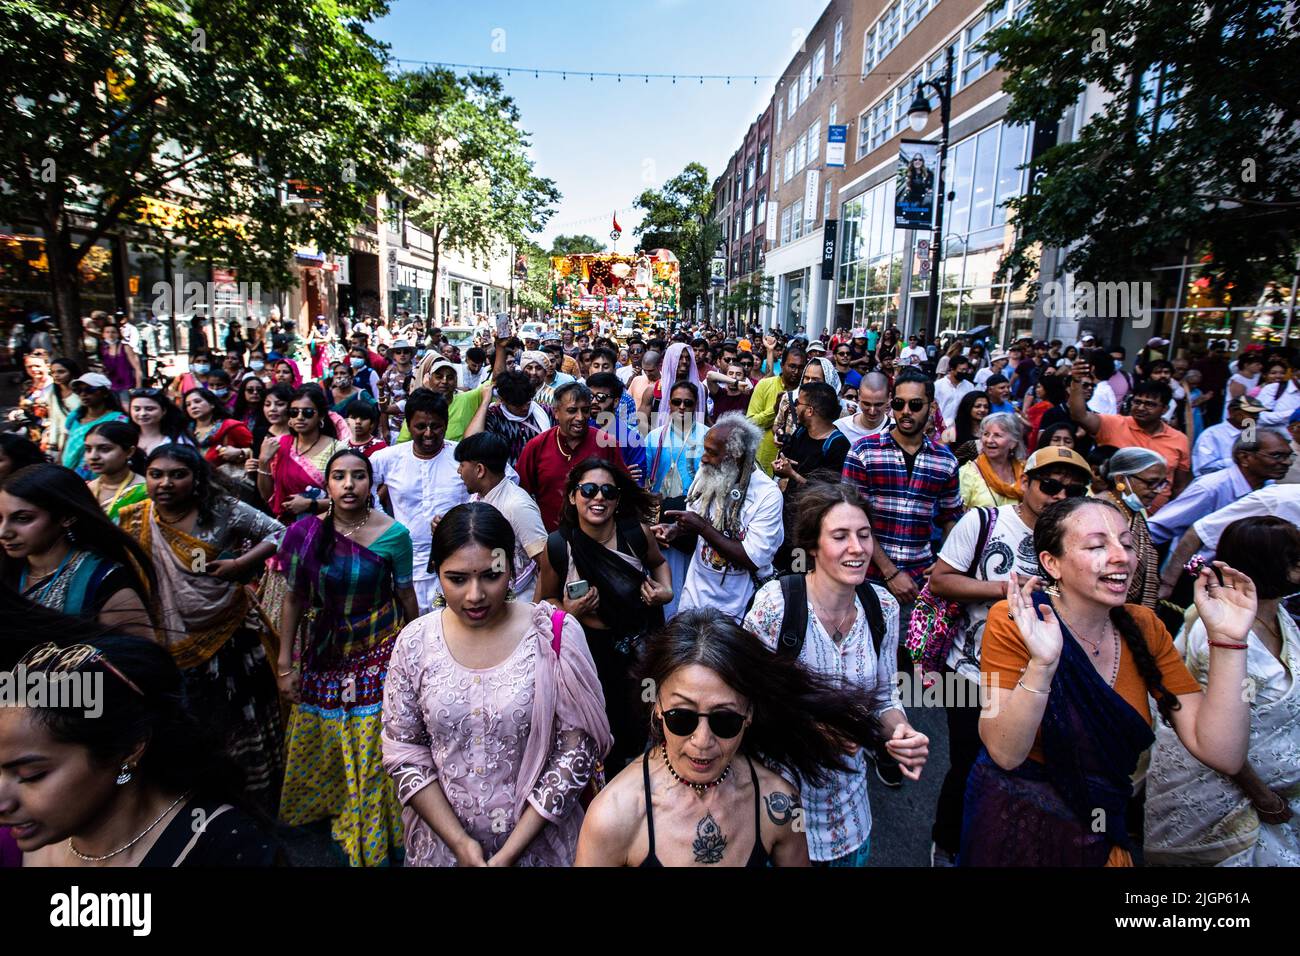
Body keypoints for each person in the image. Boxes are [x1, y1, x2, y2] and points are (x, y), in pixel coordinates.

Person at [962, 497, 1255, 866]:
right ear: (1052, 563)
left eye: (1127, 544)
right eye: (1098, 546)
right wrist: (1043, 663)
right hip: (1012, 828)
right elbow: (1004, 752)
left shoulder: (1145, 628)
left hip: (1099, 833)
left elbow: (1223, 753)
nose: (1123, 558)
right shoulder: (1016, 619)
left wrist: (1229, 641)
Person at [381, 503, 611, 866]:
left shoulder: (555, 635)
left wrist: (509, 853)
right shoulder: (414, 643)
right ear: (436, 572)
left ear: (513, 568)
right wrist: (459, 843)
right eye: (457, 579)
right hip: (442, 847)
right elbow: (403, 750)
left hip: (542, 846)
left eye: (490, 575)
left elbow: (577, 751)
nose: (475, 595)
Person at [575, 610, 882, 867]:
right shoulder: (611, 818)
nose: (702, 740)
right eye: (682, 717)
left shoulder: (779, 805)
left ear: (748, 714)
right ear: (657, 706)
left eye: (725, 720)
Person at [743, 484, 929, 865]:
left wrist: (899, 732)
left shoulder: (883, 608)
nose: (857, 548)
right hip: (778, 812)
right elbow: (744, 703)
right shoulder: (776, 607)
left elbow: (884, 695)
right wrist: (813, 731)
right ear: (813, 546)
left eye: (864, 535)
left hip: (850, 815)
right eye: (840, 536)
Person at [925, 444, 1093, 865]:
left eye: (1072, 490)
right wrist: (1005, 590)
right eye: (1049, 485)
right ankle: (947, 844)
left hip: (1042, 680)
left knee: (1023, 771)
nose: (1058, 496)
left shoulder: (1083, 543)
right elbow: (942, 581)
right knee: (969, 763)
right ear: (1025, 484)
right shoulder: (984, 522)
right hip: (968, 671)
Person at [0, 630, 277, 867]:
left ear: (129, 748)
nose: (3, 802)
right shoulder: (22, 841)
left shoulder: (226, 849)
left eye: (31, 774)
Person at [117, 444, 286, 803]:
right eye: (156, 474)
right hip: (166, 635)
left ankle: (248, 795)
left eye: (178, 475)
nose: (165, 483)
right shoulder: (133, 516)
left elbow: (280, 533)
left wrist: (241, 565)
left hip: (227, 632)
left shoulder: (220, 509)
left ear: (196, 480)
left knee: (237, 717)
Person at [276, 448, 418, 866]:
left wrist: (420, 654)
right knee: (327, 740)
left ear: (371, 484)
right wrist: (286, 664)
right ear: (327, 485)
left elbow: (406, 595)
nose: (349, 484)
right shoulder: (304, 534)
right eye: (340, 476)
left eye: (358, 476)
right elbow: (294, 599)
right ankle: (335, 807)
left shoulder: (395, 534)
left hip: (379, 649)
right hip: (324, 652)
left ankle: (373, 827)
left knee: (372, 747)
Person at [1144, 517, 1300, 866]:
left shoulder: (1280, 617)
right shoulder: (1216, 634)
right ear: (1264, 564)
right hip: (1225, 803)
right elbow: (1217, 728)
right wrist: (1263, 796)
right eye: (1293, 558)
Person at [535, 459, 672, 772]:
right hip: (589, 654)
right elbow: (544, 601)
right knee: (599, 730)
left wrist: (666, 591)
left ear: (617, 500)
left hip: (639, 650)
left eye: (608, 492)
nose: (599, 498)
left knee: (642, 724)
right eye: (589, 490)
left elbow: (659, 562)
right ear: (572, 496)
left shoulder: (635, 535)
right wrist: (569, 612)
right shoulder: (558, 546)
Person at [841, 369, 963, 610]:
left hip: (920, 580)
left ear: (932, 407)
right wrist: (891, 573)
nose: (906, 411)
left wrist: (943, 563)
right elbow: (851, 518)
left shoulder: (944, 460)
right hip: (865, 577)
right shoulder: (863, 452)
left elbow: (951, 518)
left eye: (915, 405)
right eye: (899, 403)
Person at [0, 463, 154, 639]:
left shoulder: (102, 580)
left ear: (66, 517)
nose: (4, 532)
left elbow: (140, 660)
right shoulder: (8, 570)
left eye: (22, 519)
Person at [656, 413, 783, 620]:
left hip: (738, 610)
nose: (704, 458)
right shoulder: (708, 472)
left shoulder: (767, 495)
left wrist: (702, 528)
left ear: (736, 454)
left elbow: (754, 559)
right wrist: (675, 530)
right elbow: (696, 517)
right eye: (704, 450)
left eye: (711, 452)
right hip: (694, 599)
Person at [371, 389, 470, 614]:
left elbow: (497, 484)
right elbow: (363, 482)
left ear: (445, 424)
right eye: (420, 426)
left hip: (455, 561)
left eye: (435, 426)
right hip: (405, 565)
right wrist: (383, 523)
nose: (428, 433)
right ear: (408, 424)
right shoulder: (389, 458)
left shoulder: (462, 457)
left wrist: (461, 520)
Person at [1069, 363, 1190, 511]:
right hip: (1110, 511)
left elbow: (1179, 486)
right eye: (1137, 402)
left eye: (1149, 404)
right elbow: (1079, 415)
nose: (1140, 407)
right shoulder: (1113, 423)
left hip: (1156, 518)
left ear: (1164, 409)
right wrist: (1076, 382)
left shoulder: (1179, 440)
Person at [1148, 429, 1292, 551]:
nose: (1287, 462)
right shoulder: (1211, 488)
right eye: (1277, 455)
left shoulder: (1269, 488)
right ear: (1245, 457)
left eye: (1288, 456)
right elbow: (1157, 528)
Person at [517, 382, 626, 533]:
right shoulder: (536, 446)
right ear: (556, 412)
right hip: (550, 539)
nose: (580, 417)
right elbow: (521, 496)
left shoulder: (607, 443)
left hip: (598, 538)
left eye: (585, 410)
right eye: (572, 410)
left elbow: (625, 491)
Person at [454, 432, 547, 598]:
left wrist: (535, 610)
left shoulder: (517, 506)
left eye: (462, 464)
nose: (458, 471)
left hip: (520, 602)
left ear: (480, 470)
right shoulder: (478, 497)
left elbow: (547, 564)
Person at [256, 386, 345, 523]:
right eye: (294, 412)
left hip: (326, 525)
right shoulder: (277, 445)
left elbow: (347, 498)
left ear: (321, 415)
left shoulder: (337, 449)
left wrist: (310, 504)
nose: (300, 417)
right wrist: (263, 461)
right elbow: (268, 496)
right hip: (286, 524)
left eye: (307, 412)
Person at [1094, 447, 1167, 609]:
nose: (1157, 491)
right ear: (1120, 479)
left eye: (1161, 484)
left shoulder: (1136, 511)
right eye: (1150, 483)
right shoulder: (1098, 510)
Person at [747, 341, 806, 476]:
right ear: (782, 365)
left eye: (801, 367)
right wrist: (775, 410)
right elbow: (750, 422)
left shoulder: (807, 393)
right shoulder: (764, 385)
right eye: (792, 366)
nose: (796, 372)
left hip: (795, 463)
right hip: (764, 459)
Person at [62, 373, 128, 479]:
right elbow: (65, 444)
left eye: (89, 390)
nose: (83, 394)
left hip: (99, 476)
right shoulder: (74, 417)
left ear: (105, 393)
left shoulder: (118, 420)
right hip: (68, 473)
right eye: (79, 391)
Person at [184, 387, 254, 483]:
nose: (193, 406)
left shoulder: (231, 426)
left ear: (212, 404)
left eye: (197, 401)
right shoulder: (185, 433)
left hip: (226, 486)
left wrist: (241, 452)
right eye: (188, 405)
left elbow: (259, 451)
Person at [82, 421, 148, 522]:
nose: (93, 456)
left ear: (129, 452)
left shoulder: (144, 492)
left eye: (104, 449)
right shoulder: (87, 489)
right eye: (88, 449)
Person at [957, 412, 1025, 508]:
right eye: (986, 434)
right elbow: (957, 515)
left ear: (1013, 443)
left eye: (997, 435)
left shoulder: (1024, 472)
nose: (989, 440)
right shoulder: (968, 473)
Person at [1193, 396, 1265, 477]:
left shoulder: (1257, 434)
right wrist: (1240, 460)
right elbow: (1205, 468)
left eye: (1257, 414)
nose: (1255, 417)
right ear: (1232, 412)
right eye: (1250, 413)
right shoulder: (1211, 435)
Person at [833, 372, 891, 446]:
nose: (872, 411)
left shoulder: (896, 429)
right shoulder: (840, 427)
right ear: (859, 395)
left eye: (878, 405)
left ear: (889, 398)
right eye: (866, 404)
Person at [939, 389, 990, 465]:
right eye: (977, 406)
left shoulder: (990, 428)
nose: (982, 410)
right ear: (968, 407)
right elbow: (938, 447)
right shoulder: (955, 429)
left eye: (986, 407)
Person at [99, 322, 143, 397]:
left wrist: (138, 388)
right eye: (107, 332)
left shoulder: (126, 347)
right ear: (103, 334)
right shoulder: (103, 350)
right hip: (111, 386)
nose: (110, 335)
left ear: (118, 334)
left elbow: (137, 369)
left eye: (113, 332)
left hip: (127, 386)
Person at [934, 354, 974, 424]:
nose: (964, 372)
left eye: (966, 370)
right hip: (940, 426)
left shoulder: (970, 387)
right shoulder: (938, 385)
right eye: (962, 370)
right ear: (952, 369)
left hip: (960, 426)